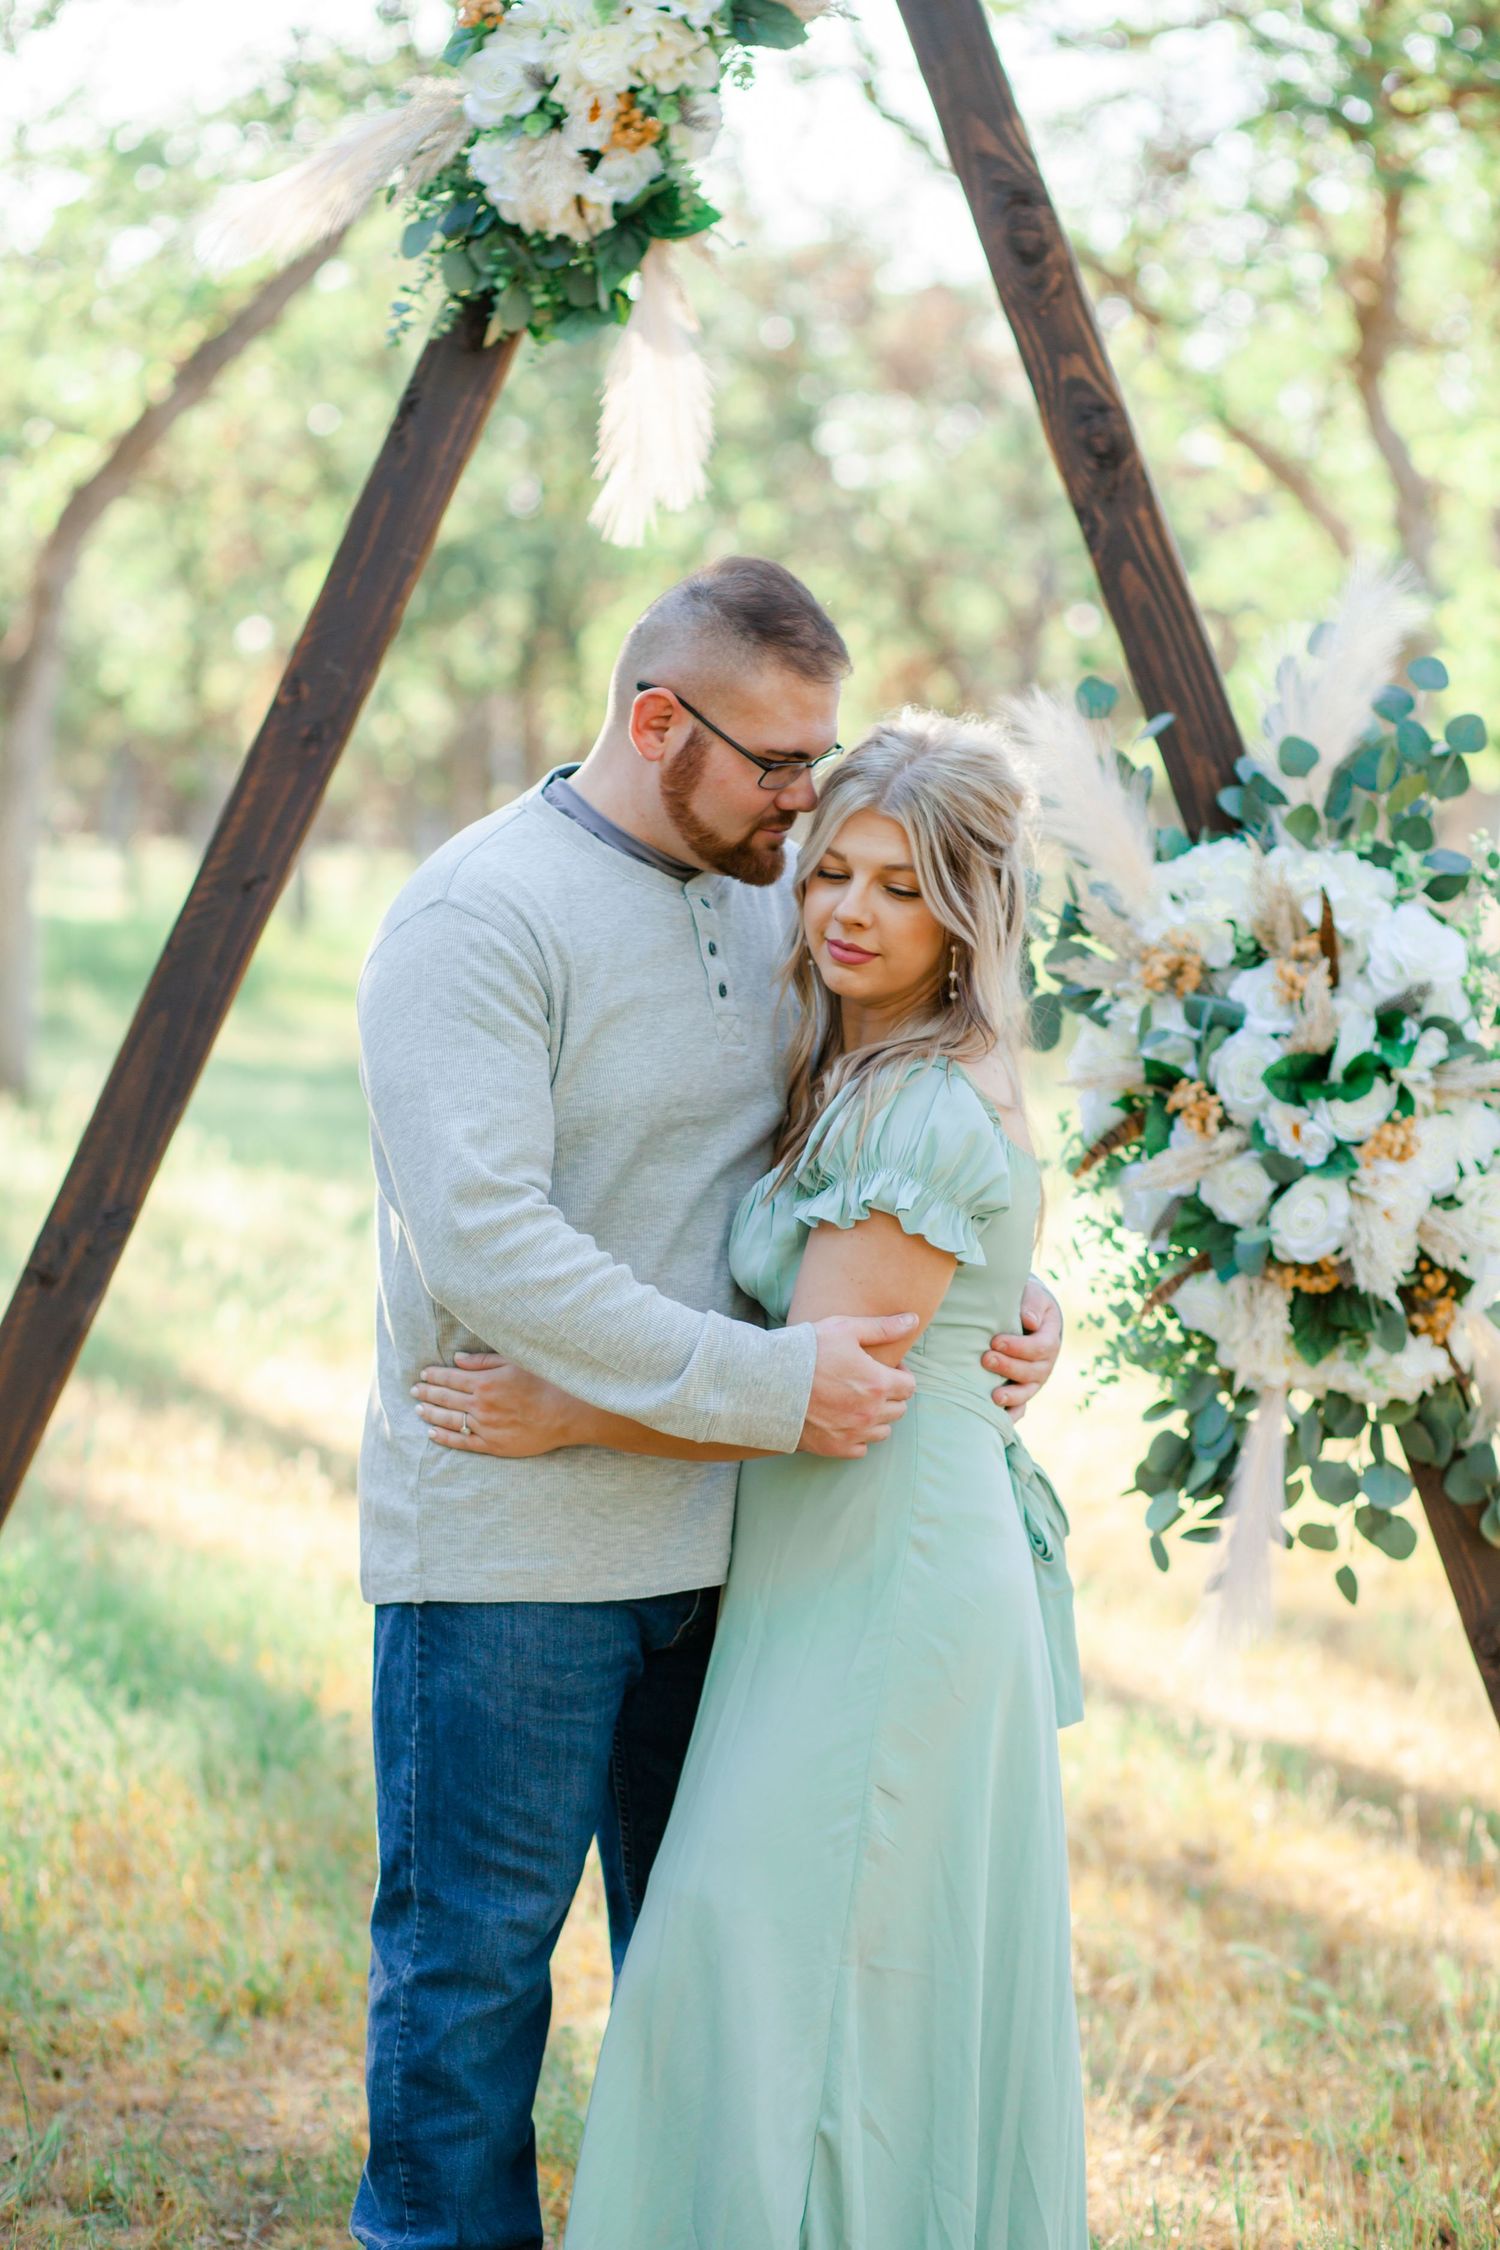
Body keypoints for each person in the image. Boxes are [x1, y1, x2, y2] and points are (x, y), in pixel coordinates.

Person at [351, 557, 1064, 2250]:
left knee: (726, 1979)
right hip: (521, 1537)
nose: (807, 811)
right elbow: (491, 1244)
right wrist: (776, 1383)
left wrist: (1002, 1299)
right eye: (778, 766)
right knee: (470, 1980)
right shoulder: (477, 918)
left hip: (748, 1552)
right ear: (658, 722)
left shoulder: (772, 893)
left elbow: (881, 1137)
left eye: (821, 770)